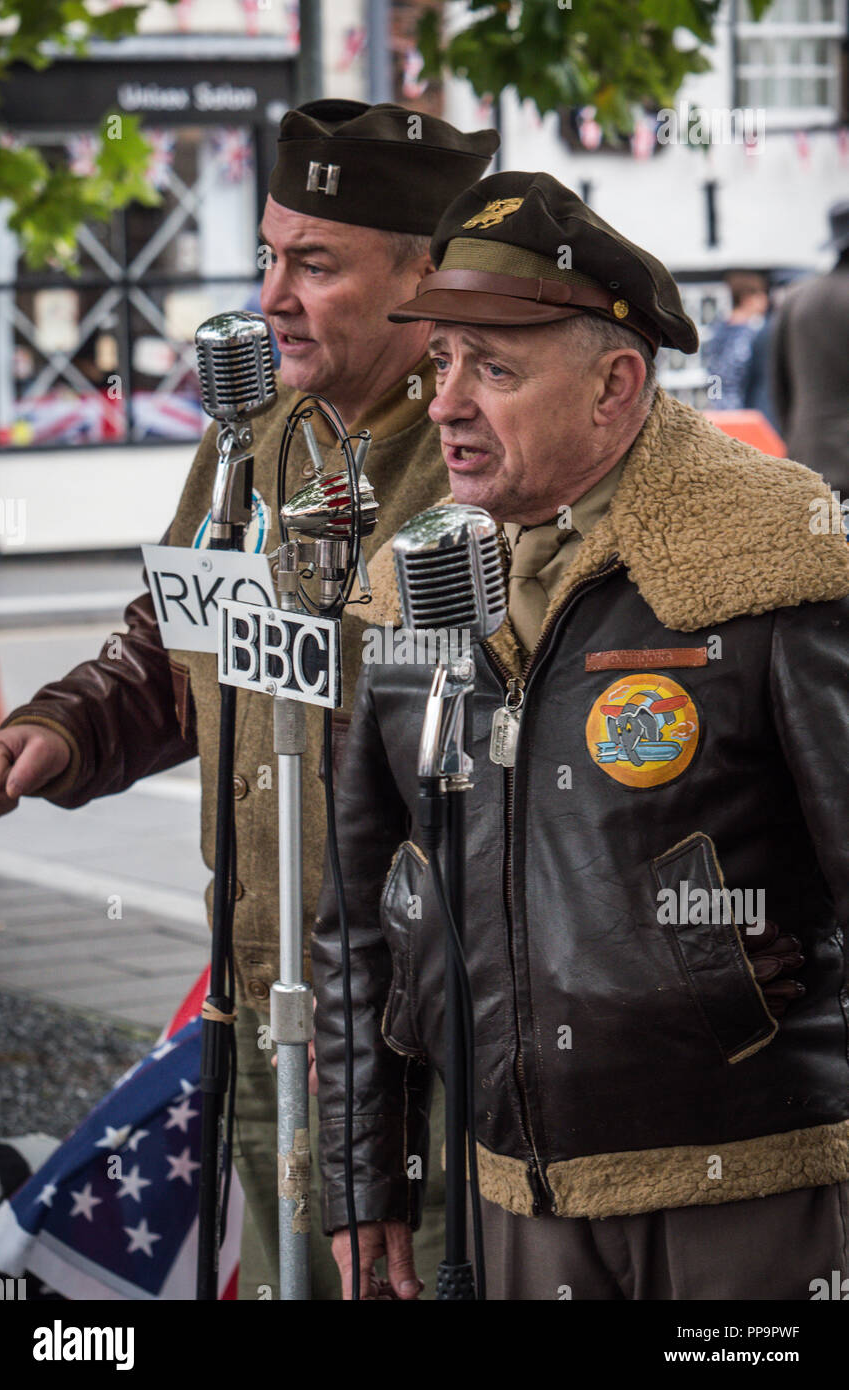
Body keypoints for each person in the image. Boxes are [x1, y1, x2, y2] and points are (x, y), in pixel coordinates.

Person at [0, 99, 499, 1300]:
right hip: (259, 978)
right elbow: (179, 634)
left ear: (423, 277)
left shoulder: (478, 444)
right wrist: (58, 730)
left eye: (313, 264)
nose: (270, 295)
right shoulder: (251, 427)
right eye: (268, 256)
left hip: (419, 1022)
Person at [312, 170, 849, 1301]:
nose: (445, 400)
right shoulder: (414, 588)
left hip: (751, 1192)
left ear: (614, 385)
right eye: (442, 359)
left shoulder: (774, 567)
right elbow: (357, 916)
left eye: (490, 368)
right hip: (511, 1198)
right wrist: (364, 1187)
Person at [771, 199, 849, 496]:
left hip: (813, 458)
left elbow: (779, 386)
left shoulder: (797, 299)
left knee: (824, 540)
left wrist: (795, 439)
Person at [702, 269, 769, 411]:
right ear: (748, 298)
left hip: (719, 407)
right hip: (744, 409)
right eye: (761, 295)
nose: (765, 300)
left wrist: (715, 402)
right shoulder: (750, 334)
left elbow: (713, 374)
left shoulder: (717, 329)